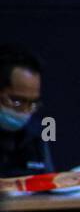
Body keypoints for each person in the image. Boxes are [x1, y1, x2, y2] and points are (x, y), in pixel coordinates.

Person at [0, 46, 52, 180]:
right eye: (17, 101)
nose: (25, 111)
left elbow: (47, 181)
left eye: (33, 103)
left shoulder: (35, 134)